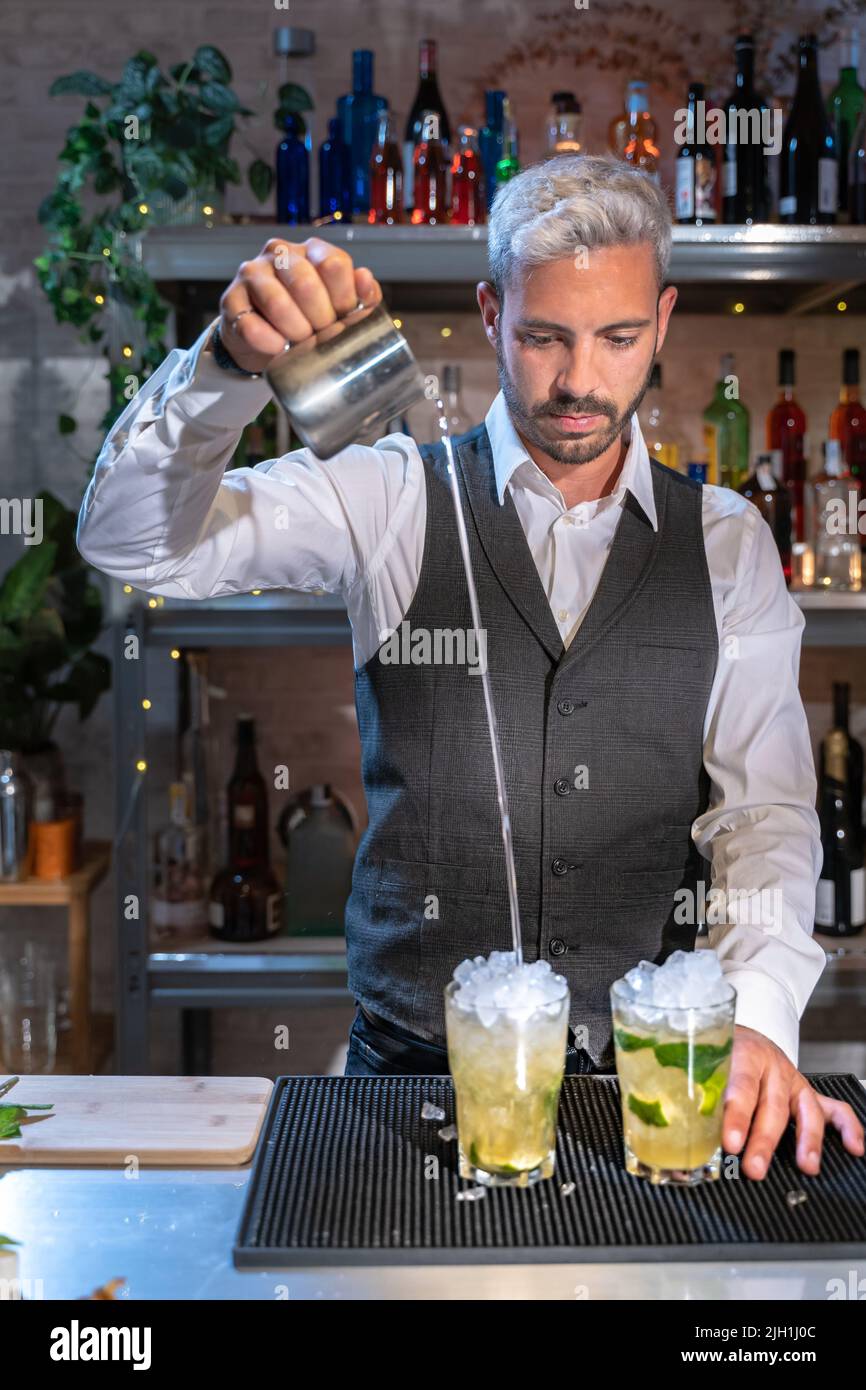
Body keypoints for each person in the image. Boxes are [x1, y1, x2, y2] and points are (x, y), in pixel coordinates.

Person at [76, 154, 864, 1180]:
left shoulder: (725, 541)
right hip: (408, 1087)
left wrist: (752, 1016)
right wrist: (224, 365)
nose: (580, 379)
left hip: (647, 1094)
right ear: (490, 313)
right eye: (542, 336)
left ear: (662, 323)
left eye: (617, 337)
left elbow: (761, 817)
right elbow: (134, 543)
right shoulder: (388, 496)